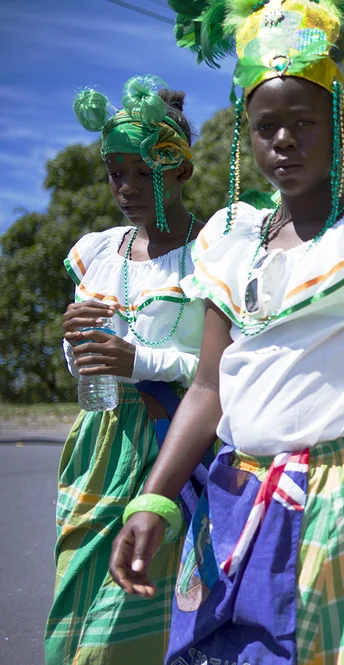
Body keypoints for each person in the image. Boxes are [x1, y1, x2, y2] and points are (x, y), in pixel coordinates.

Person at [108, 2, 344, 662]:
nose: (284, 140)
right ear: (244, 136)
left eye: (303, 123)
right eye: (267, 127)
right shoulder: (229, 243)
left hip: (343, 492)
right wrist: (154, 496)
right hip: (236, 489)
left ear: (338, 127)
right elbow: (208, 387)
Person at [46, 77, 205, 665]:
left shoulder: (213, 251)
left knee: (120, 632)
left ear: (182, 169)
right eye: (116, 171)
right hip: (97, 444)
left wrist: (140, 361)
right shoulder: (97, 251)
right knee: (75, 605)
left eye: (145, 171)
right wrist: (77, 343)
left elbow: (225, 367)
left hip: (171, 444)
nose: (127, 187)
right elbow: (87, 360)